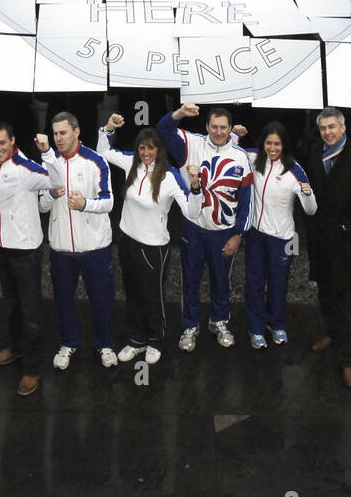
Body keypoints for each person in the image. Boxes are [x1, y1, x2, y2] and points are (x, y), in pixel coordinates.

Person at [98, 114, 202, 363]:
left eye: (151, 147)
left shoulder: (170, 176)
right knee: (132, 293)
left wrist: (196, 187)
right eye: (142, 147)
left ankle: (155, 340)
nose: (146, 152)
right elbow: (103, 151)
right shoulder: (129, 164)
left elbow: (191, 211)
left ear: (159, 149)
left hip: (154, 248)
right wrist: (108, 128)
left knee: (151, 297)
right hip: (127, 242)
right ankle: (136, 340)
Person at [156, 104, 253, 350]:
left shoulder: (241, 157)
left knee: (222, 281)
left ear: (231, 129)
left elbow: (246, 201)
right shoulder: (191, 143)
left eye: (223, 127)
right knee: (190, 279)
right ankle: (190, 326)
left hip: (224, 231)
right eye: (214, 127)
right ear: (207, 126)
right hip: (193, 228)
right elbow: (163, 131)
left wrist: (238, 234)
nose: (218, 132)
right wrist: (178, 114)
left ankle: (219, 322)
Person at [299, 107, 351, 390]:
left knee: (345, 304)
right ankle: (329, 334)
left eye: (333, 127)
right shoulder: (315, 154)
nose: (328, 133)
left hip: (343, 245)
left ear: (343, 129)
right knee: (324, 293)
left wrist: (344, 226)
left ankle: (346, 360)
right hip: (320, 242)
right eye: (323, 129)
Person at [36, 112, 117, 369]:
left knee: (102, 299)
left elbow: (109, 202)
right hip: (61, 248)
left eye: (63, 132)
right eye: (55, 133)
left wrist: (85, 204)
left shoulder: (96, 161)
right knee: (63, 299)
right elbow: (41, 206)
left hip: (95, 247)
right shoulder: (48, 163)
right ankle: (67, 343)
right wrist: (51, 195)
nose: (58, 138)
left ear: (76, 131)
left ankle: (105, 344)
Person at [0, 121, 53, 397]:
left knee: (30, 310)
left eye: (2, 143)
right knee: (11, 303)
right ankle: (16, 346)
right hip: (2, 246)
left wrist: (47, 153)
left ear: (12, 142)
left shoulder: (25, 168)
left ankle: (32, 368)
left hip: (25, 250)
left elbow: (53, 178)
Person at [243, 122, 316, 349]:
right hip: (255, 234)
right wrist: (236, 134)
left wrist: (308, 194)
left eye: (277, 143)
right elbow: (230, 149)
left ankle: (277, 324)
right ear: (262, 143)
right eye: (268, 143)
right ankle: (255, 327)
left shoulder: (295, 170)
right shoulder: (252, 157)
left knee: (278, 283)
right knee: (254, 282)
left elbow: (311, 209)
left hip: (284, 239)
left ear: (284, 145)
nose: (272, 148)